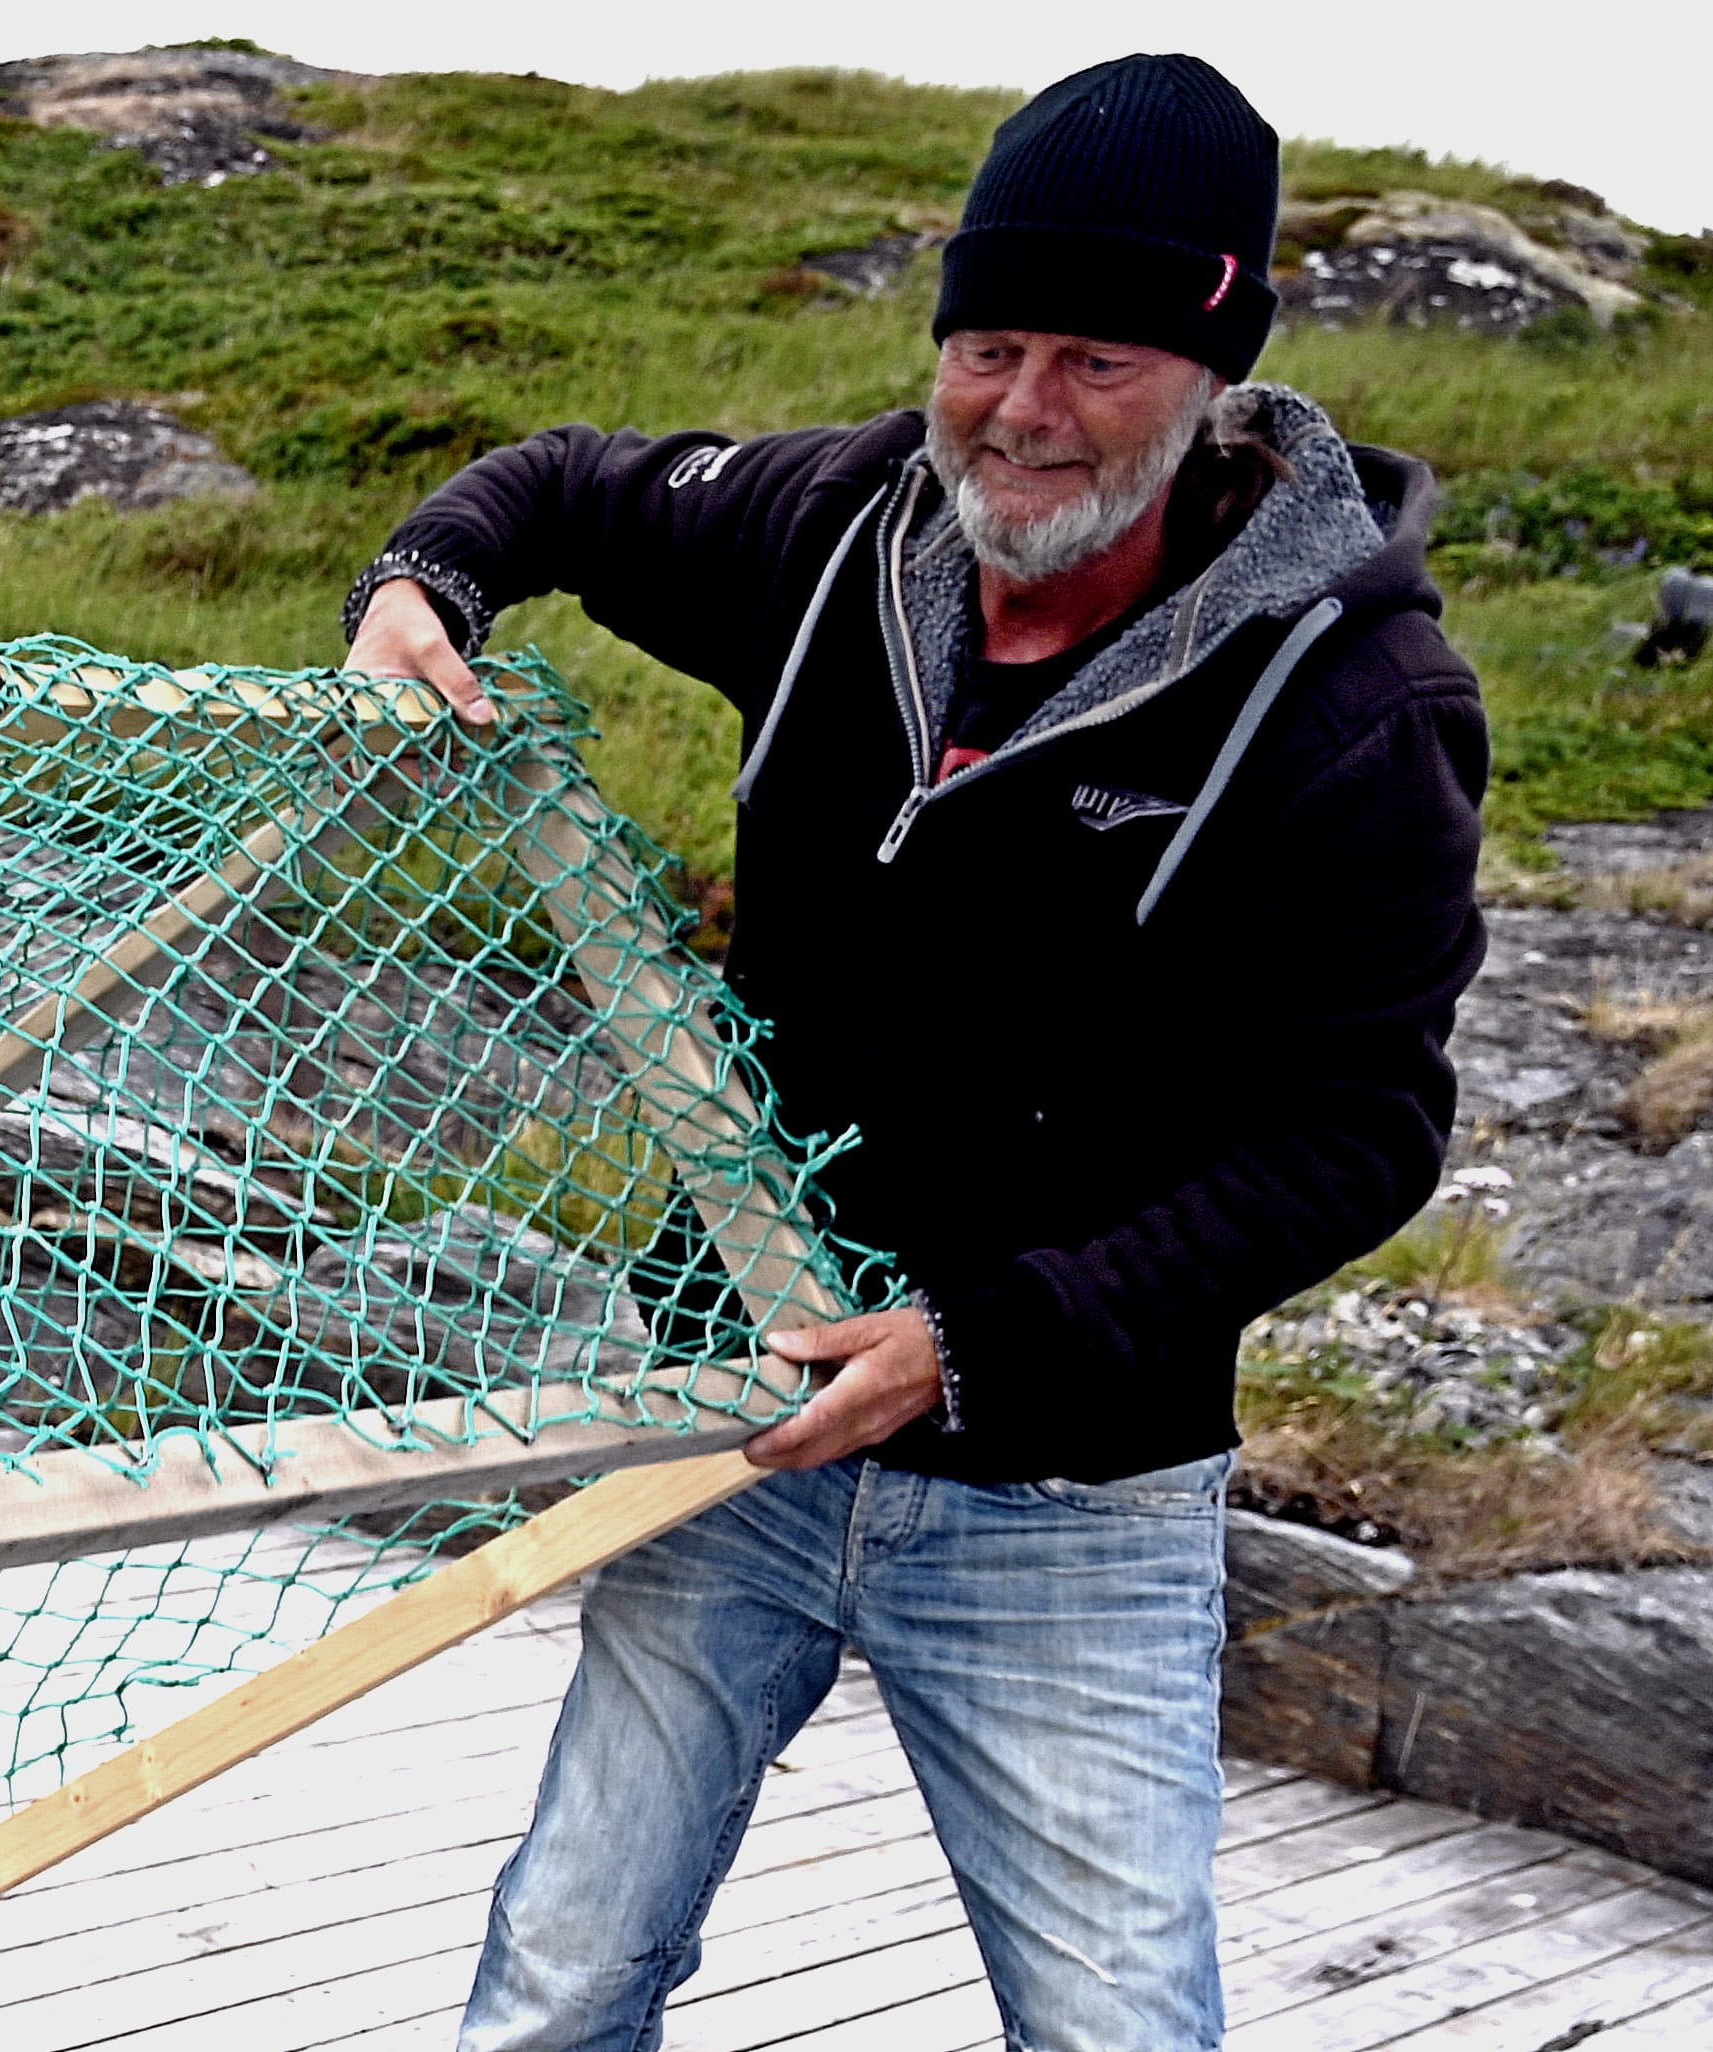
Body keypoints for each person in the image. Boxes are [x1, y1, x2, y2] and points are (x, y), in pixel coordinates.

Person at [338, 52, 1488, 2052]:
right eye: (988, 343)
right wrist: (418, 581)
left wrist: (981, 1335)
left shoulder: (1355, 703)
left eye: (1097, 361)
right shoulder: (836, 530)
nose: (1022, 410)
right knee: (554, 1986)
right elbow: (563, 486)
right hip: (732, 1415)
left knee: (1117, 2025)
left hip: (1064, 1491)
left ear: (1212, 383)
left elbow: (1358, 1129)